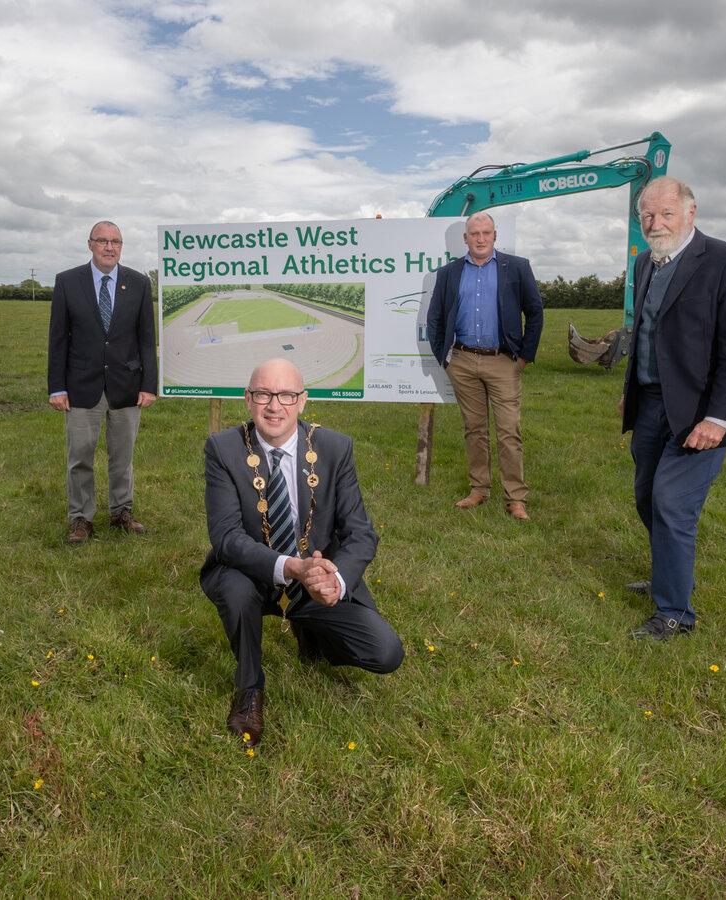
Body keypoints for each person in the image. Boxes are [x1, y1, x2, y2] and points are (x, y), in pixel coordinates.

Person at [201, 358, 403, 746]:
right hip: (254, 572)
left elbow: (360, 532)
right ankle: (249, 689)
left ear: (303, 400)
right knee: (236, 590)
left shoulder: (334, 447)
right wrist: (291, 567)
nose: (274, 405)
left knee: (386, 652)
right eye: (263, 394)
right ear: (247, 399)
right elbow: (225, 536)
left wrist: (335, 580)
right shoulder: (223, 449)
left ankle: (308, 625)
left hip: (314, 576)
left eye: (286, 395)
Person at [620, 176, 726, 640]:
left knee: (671, 503)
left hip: (700, 412)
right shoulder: (646, 263)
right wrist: (632, 388)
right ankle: (669, 576)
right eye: (647, 214)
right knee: (646, 496)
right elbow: (644, 332)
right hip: (649, 405)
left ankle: (675, 614)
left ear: (691, 213)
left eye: (665, 213)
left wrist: (718, 418)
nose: (655, 222)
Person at [426, 212, 544, 520]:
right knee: (474, 429)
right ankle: (479, 489)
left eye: (486, 233)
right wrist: (444, 358)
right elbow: (435, 318)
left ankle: (515, 498)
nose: (480, 238)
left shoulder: (517, 268)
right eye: (474, 233)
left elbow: (535, 312)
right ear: (465, 238)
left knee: (509, 430)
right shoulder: (449, 273)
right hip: (462, 361)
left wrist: (524, 356)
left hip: (503, 361)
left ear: (494, 236)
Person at [47, 221, 158, 544]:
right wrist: (57, 387)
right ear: (90, 244)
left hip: (126, 386)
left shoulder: (138, 283)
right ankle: (81, 518)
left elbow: (146, 339)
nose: (109, 247)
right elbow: (58, 340)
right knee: (80, 456)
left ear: (121, 246)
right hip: (82, 386)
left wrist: (148, 385)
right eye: (102, 241)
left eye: (116, 242)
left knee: (122, 456)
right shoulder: (68, 282)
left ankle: (121, 511)